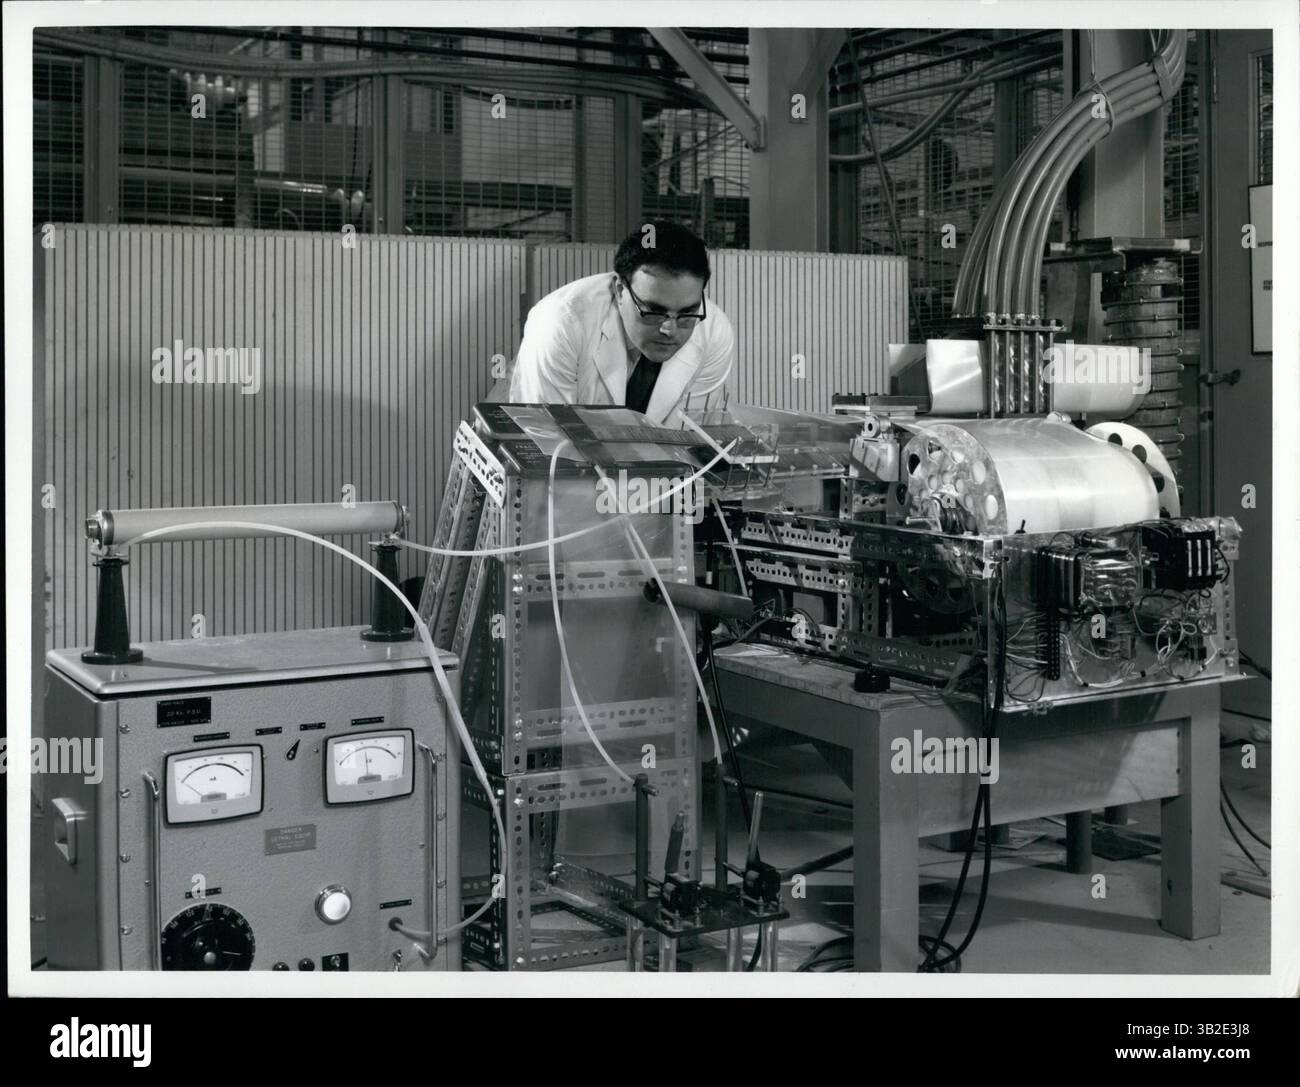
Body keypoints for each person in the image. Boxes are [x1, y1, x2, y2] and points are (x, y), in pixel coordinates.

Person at [508, 220, 734, 424]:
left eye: (687, 314)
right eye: (654, 311)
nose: (670, 329)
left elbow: (685, 441)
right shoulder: (561, 322)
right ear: (620, 290)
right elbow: (547, 440)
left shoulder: (714, 332)